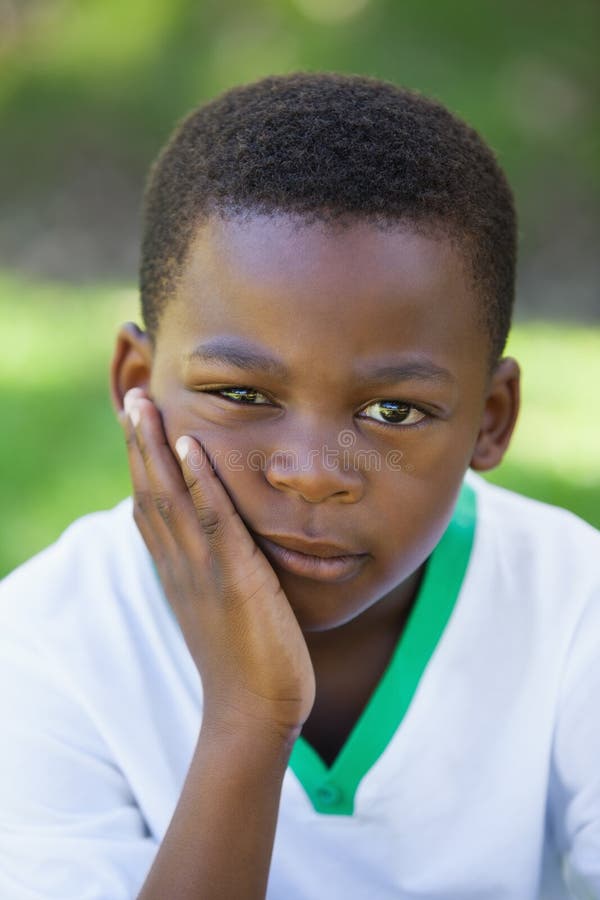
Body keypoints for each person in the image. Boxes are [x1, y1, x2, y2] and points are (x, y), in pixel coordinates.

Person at [0, 73, 598, 900]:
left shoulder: (574, 603)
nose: (313, 472)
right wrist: (249, 719)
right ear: (135, 384)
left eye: (395, 409)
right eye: (242, 396)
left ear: (491, 420)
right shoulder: (42, 644)